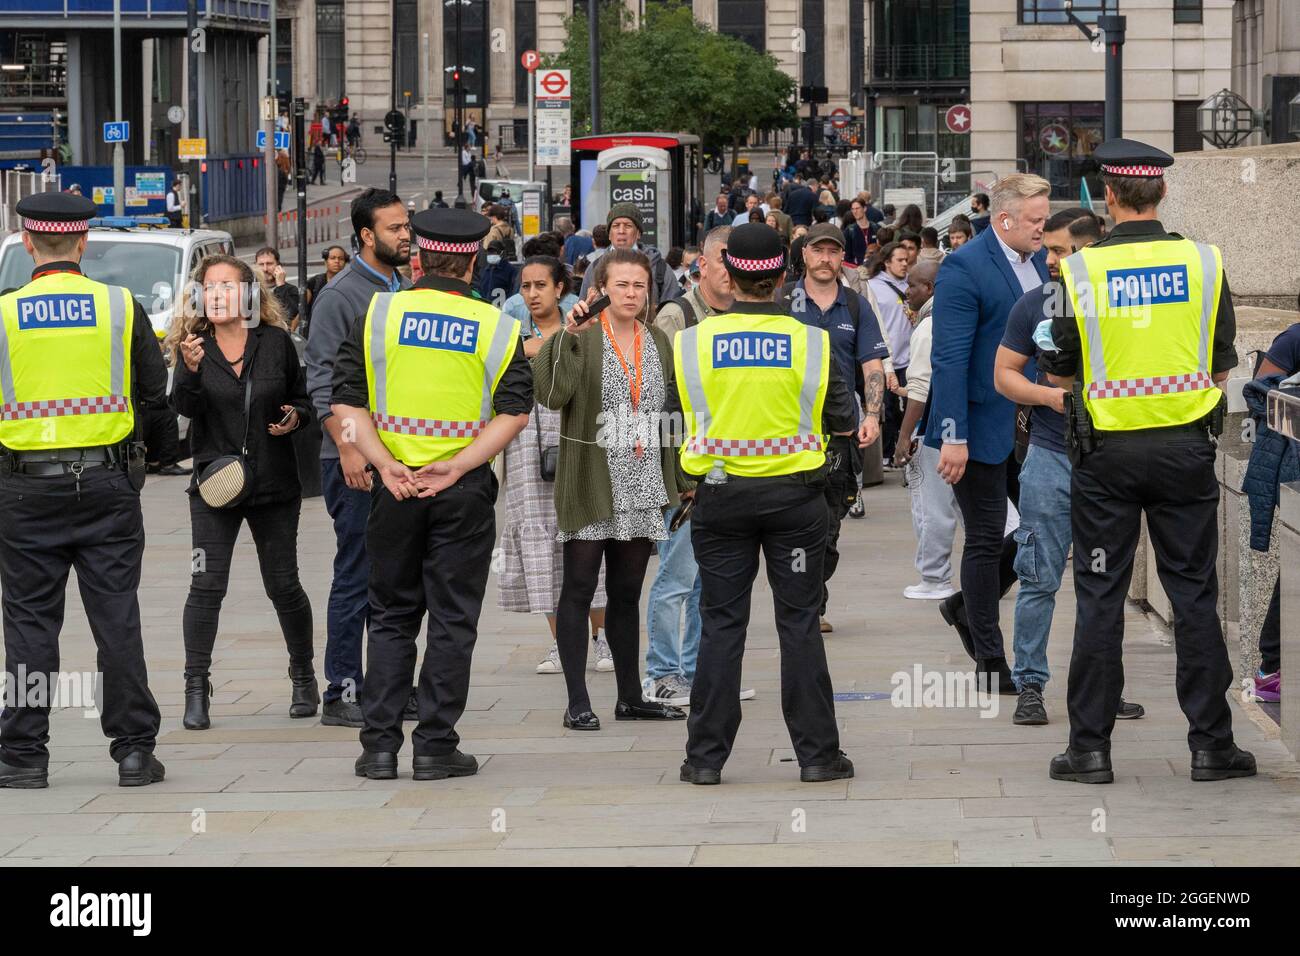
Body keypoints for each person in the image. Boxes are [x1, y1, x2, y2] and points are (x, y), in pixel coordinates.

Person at [1037, 139, 1254, 784]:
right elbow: (1221, 358)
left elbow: (1060, 358)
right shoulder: (1204, 262)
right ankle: (1212, 745)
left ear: (1107, 196)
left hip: (1106, 455)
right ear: (1161, 193)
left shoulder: (1077, 271)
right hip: (1187, 450)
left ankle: (1090, 749)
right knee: (1193, 591)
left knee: (1100, 594)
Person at [331, 207, 533, 780]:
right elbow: (515, 412)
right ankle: (435, 746)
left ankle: (377, 748)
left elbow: (346, 403)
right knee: (451, 619)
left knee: (390, 614)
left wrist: (387, 464)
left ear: (418, 256)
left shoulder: (379, 313)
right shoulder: (497, 326)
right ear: (472, 261)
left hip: (394, 491)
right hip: (462, 491)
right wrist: (460, 464)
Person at [676, 223, 868, 786]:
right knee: (800, 623)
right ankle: (817, 757)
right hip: (796, 503)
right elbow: (842, 420)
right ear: (784, 276)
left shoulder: (691, 341)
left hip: (720, 498)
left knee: (721, 625)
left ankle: (704, 760)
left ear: (727, 274)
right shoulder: (813, 341)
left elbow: (672, 420)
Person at [0, 193, 167, 789]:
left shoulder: (5, 314)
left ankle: (23, 756)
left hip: (23, 490)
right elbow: (154, 390)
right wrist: (156, 456)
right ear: (82, 244)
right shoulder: (121, 308)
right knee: (116, 617)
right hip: (106, 484)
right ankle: (133, 752)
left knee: (28, 625)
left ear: (28, 245)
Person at [993, 210, 1145, 726]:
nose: (1050, 261)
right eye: (1047, 251)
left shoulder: (1122, 305)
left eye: (1060, 251)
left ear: (1092, 248)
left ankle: (1102, 686)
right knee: (1037, 575)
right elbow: (1004, 375)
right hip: (1051, 457)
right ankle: (1030, 684)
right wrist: (1050, 398)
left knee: (1103, 582)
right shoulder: (1035, 303)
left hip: (1111, 459)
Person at [533, 249, 689, 731]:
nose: (631, 294)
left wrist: (682, 480)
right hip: (592, 476)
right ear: (600, 290)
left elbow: (671, 411)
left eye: (639, 286)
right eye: (621, 285)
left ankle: (629, 696)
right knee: (579, 588)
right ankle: (577, 699)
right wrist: (567, 336)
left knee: (626, 592)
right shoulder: (582, 337)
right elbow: (551, 394)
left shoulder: (659, 340)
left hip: (641, 479)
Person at [167, 254, 316, 730]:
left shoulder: (276, 344)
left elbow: (303, 398)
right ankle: (196, 687)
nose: (216, 295)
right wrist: (188, 371)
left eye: (227, 286)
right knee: (206, 585)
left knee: (283, 584)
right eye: (208, 287)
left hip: (273, 484)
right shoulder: (193, 348)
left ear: (249, 295)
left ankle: (303, 674)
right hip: (215, 484)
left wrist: (295, 416)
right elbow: (182, 409)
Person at [926, 173, 1051, 694]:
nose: (1044, 230)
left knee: (1041, 530)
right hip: (976, 423)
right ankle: (991, 660)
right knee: (983, 537)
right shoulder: (963, 267)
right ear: (1004, 220)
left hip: (1031, 420)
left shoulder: (1040, 261)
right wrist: (953, 435)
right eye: (1036, 221)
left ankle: (961, 607)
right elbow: (949, 358)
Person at [305, 188, 413, 729]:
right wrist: (349, 447)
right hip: (353, 458)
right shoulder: (340, 296)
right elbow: (321, 382)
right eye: (394, 228)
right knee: (357, 572)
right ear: (367, 236)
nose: (405, 234)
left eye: (405, 225)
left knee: (394, 576)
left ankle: (391, 685)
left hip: (398, 454)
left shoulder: (404, 288)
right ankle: (341, 687)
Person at [642, 226, 746, 706]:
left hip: (729, 472)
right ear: (700, 265)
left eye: (735, 259)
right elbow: (657, 399)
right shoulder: (677, 315)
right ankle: (662, 674)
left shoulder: (743, 315)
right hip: (687, 473)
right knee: (676, 577)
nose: (729, 269)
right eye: (720, 259)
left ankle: (701, 672)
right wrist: (679, 477)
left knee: (711, 581)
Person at [502, 256, 612, 675]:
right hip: (526, 444)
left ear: (560, 289)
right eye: (526, 286)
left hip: (578, 436)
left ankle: (603, 640)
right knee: (539, 541)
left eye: (540, 285)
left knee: (589, 535)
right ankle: (561, 643)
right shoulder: (512, 333)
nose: (532, 294)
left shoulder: (584, 329)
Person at [784, 223, 887, 633]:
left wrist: (874, 414)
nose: (825, 259)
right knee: (793, 523)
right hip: (788, 432)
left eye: (833, 252)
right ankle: (801, 604)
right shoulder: (782, 301)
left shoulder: (855, 306)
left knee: (829, 526)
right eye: (818, 251)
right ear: (805, 255)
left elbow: (872, 366)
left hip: (840, 436)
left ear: (841, 258)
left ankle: (813, 597)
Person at [892, 258, 958, 600]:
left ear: (930, 289)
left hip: (931, 429)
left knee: (931, 507)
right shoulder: (956, 316)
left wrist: (904, 437)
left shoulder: (929, 326)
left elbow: (920, 387)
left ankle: (934, 578)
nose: (907, 291)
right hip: (960, 425)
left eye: (913, 285)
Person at [577, 203, 682, 305]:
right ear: (609, 234)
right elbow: (583, 313)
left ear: (638, 233)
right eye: (616, 226)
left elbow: (672, 313)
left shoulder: (660, 268)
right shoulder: (595, 268)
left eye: (628, 226)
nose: (621, 231)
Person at [867, 242, 911, 465]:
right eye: (900, 260)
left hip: (910, 357)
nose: (905, 263)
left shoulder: (911, 285)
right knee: (889, 407)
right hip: (886, 359)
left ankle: (902, 450)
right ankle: (885, 453)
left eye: (906, 259)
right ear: (886, 263)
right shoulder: (873, 287)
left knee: (910, 406)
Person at [303, 244, 350, 334]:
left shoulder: (350, 283)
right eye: (332, 258)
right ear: (325, 261)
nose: (337, 261)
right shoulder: (314, 282)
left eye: (341, 258)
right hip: (315, 332)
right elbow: (302, 309)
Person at [255, 246, 300, 329]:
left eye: (269, 264)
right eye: (261, 264)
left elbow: (289, 316)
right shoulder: (251, 289)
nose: (265, 269)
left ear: (278, 266)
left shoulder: (290, 289)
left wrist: (281, 286)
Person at [476, 239, 518, 307]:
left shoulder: (511, 271)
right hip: (487, 310)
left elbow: (514, 292)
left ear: (502, 253)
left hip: (503, 311)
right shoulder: (484, 271)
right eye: (489, 252)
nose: (491, 254)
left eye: (494, 252)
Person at [842, 196, 872, 267]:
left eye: (857, 208)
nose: (855, 211)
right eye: (852, 209)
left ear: (864, 209)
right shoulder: (849, 231)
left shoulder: (875, 227)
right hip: (857, 270)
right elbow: (847, 256)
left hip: (874, 269)